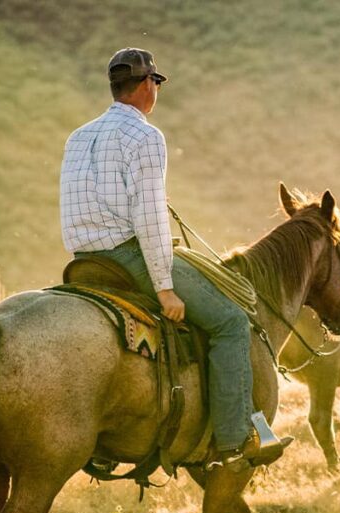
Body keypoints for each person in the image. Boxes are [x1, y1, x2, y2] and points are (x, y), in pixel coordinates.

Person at [59, 48, 289, 468]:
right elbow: (148, 218)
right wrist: (164, 289)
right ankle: (236, 438)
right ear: (147, 85)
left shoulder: (78, 137)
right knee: (231, 322)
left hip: (84, 261)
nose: (157, 90)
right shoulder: (145, 136)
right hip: (129, 257)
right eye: (157, 82)